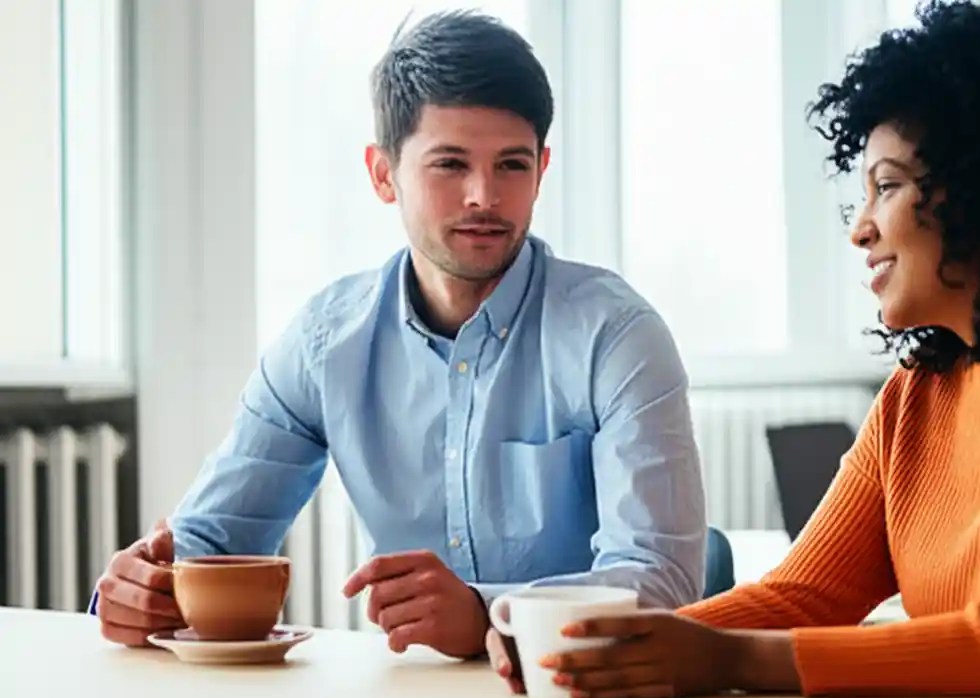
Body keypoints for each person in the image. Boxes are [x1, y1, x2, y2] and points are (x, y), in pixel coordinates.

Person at [505, 0, 980, 698]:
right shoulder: (920, 392)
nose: (860, 227)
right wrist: (595, 648)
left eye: (887, 185)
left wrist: (728, 661)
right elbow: (802, 596)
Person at [90, 10, 706, 660]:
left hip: (585, 696)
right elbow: (208, 547)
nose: (483, 196)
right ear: (384, 174)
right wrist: (143, 592)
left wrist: (487, 615)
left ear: (542, 169)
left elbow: (663, 581)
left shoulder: (617, 335)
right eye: (450, 164)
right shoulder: (325, 344)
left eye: (512, 166)